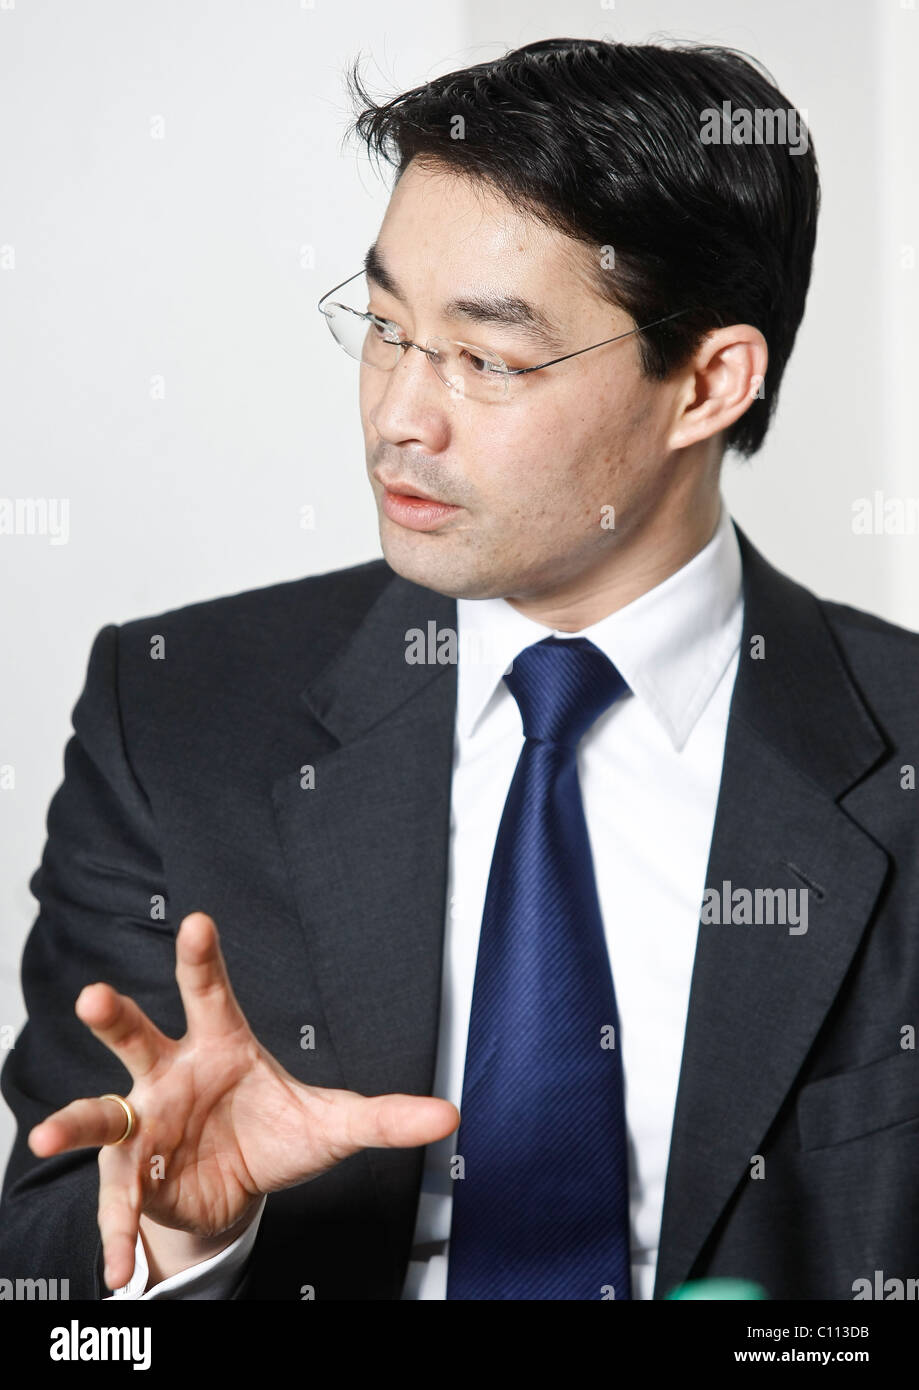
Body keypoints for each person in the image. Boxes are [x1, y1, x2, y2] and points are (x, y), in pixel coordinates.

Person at [2, 36, 917, 1302]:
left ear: (707, 381)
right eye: (383, 327)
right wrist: (173, 1239)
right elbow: (43, 1282)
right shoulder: (177, 712)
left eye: (487, 359)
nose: (398, 415)